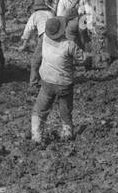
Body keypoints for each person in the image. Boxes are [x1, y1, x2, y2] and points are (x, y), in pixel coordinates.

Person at [31, 16, 85, 144]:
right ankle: (67, 133)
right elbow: (82, 59)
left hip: (47, 81)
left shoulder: (44, 39)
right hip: (64, 83)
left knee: (40, 108)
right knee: (65, 109)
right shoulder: (69, 45)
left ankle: (36, 135)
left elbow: (37, 57)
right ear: (62, 30)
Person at [19, 0, 54, 86]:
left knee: (36, 60)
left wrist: (24, 45)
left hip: (45, 36)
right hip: (56, 37)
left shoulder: (35, 15)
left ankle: (33, 82)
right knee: (51, 59)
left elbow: (28, 30)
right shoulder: (51, 13)